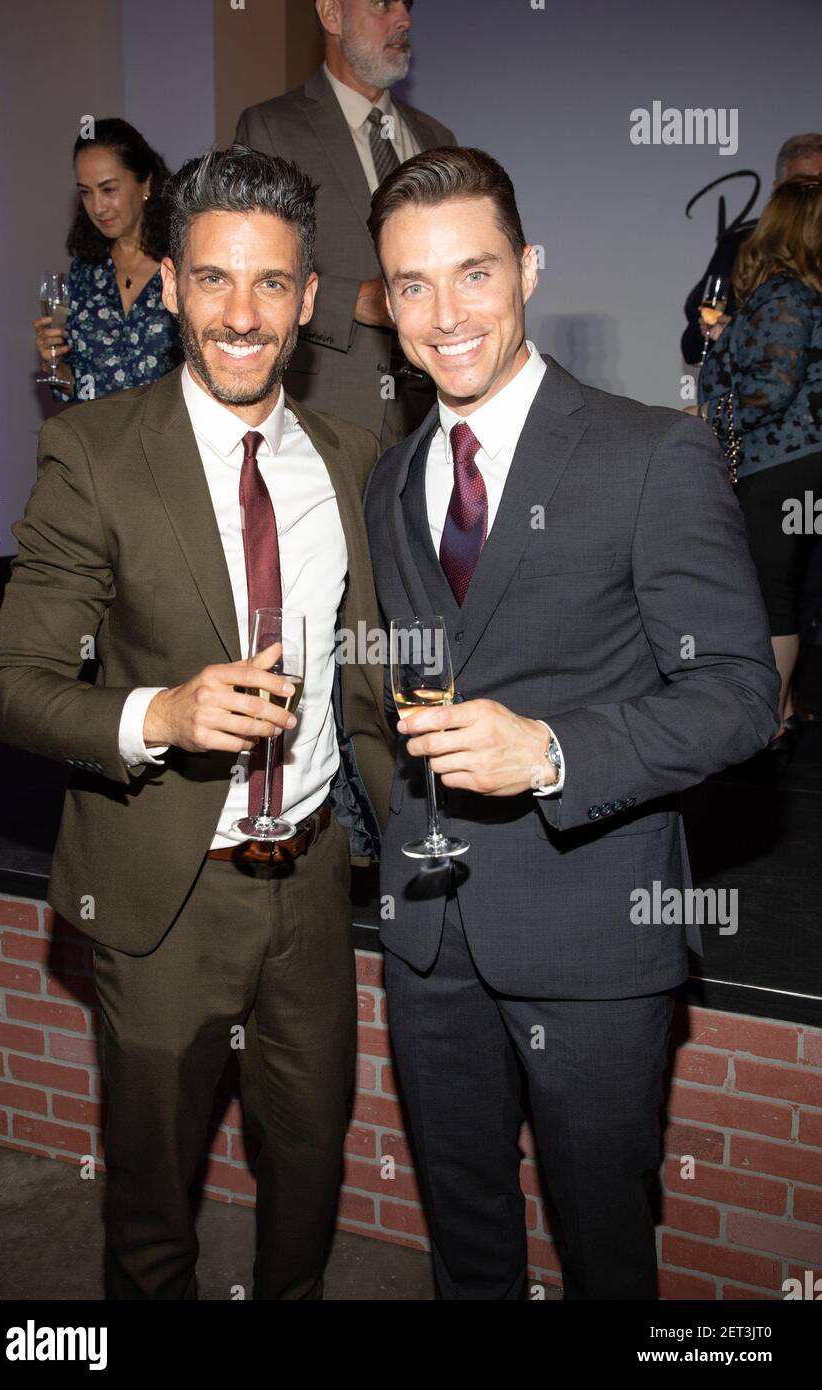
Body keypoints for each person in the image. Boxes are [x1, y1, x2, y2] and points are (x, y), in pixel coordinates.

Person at [363, 146, 780, 1300]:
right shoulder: (390, 482)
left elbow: (742, 694)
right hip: (427, 934)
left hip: (593, 932)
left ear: (529, 270)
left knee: (603, 1247)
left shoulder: (652, 452)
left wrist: (549, 751)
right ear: (383, 300)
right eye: (409, 285)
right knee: (466, 1237)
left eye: (473, 273)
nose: (443, 316)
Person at [0, 145, 394, 1300]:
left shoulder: (354, 461)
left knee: (307, 1175)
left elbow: (379, 677)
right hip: (164, 891)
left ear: (309, 301)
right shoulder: (94, 455)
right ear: (168, 284)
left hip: (313, 887)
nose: (240, 314)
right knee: (154, 1204)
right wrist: (160, 711)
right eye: (212, 279)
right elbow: (14, 686)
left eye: (270, 284)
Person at [235, 0, 455, 447]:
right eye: (382, 4)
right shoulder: (271, 128)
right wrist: (355, 300)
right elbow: (252, 272)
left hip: (435, 416)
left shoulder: (438, 139)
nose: (404, 19)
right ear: (331, 14)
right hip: (326, 413)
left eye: (406, 5)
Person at [698, 176, 822, 758]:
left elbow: (771, 389)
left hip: (782, 463)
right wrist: (727, 338)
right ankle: (783, 709)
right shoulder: (785, 294)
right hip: (786, 464)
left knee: (772, 594)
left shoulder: (787, 295)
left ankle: (769, 718)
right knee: (781, 593)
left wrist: (707, 413)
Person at [34, 118, 183, 402]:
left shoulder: (182, 263)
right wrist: (56, 366)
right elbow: (79, 389)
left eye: (109, 189)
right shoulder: (85, 272)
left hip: (169, 441)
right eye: (86, 193)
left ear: (146, 183)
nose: (98, 207)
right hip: (98, 441)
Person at [682, 132, 822, 364]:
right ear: (778, 192)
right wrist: (737, 333)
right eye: (801, 189)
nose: (813, 198)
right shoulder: (744, 248)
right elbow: (695, 346)